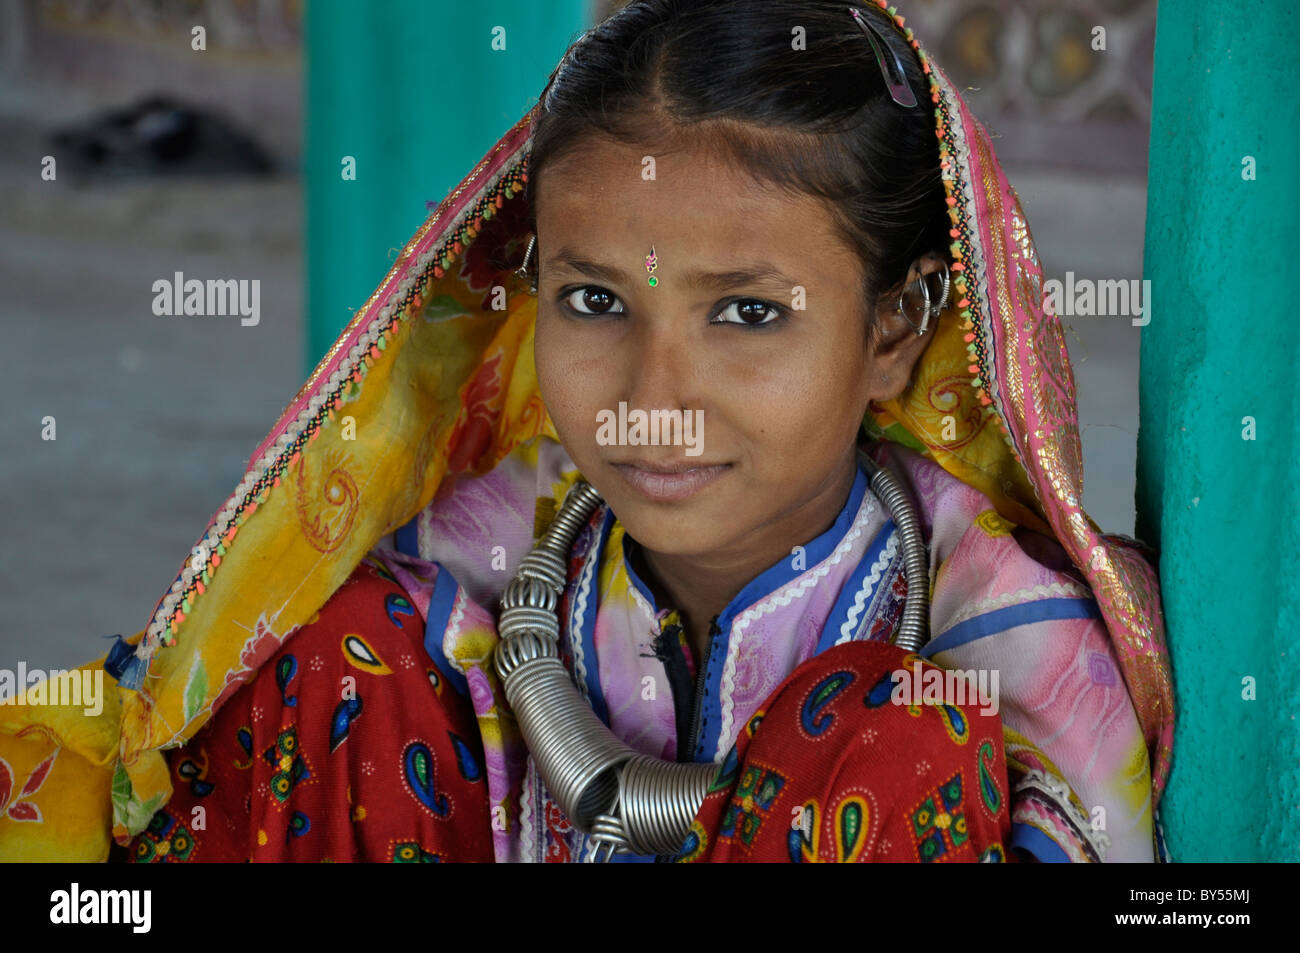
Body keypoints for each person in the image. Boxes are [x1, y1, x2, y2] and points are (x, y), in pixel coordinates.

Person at [0, 0, 1173, 864]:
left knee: (890, 727)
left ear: (893, 329)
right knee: (335, 655)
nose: (654, 389)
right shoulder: (509, 534)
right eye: (596, 300)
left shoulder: (1008, 634)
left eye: (748, 312)